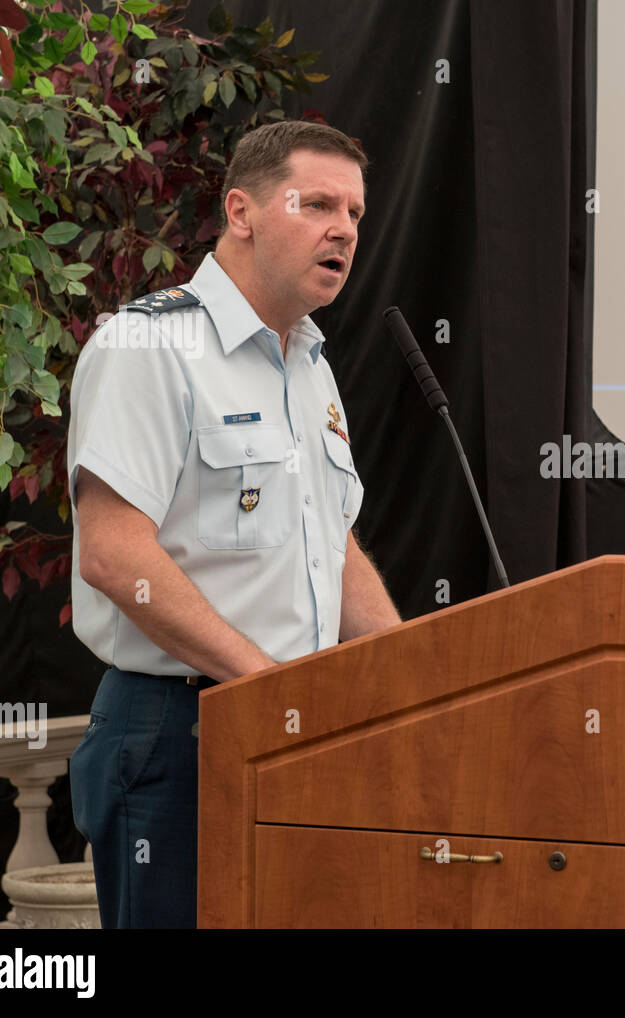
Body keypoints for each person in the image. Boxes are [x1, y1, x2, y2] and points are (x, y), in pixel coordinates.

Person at [66, 120, 401, 929]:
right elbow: (113, 556)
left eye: (355, 213)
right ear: (241, 211)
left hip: (289, 723)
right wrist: (271, 692)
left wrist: (411, 671)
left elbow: (333, 539)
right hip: (179, 730)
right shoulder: (150, 345)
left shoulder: (308, 362)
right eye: (317, 203)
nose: (344, 230)